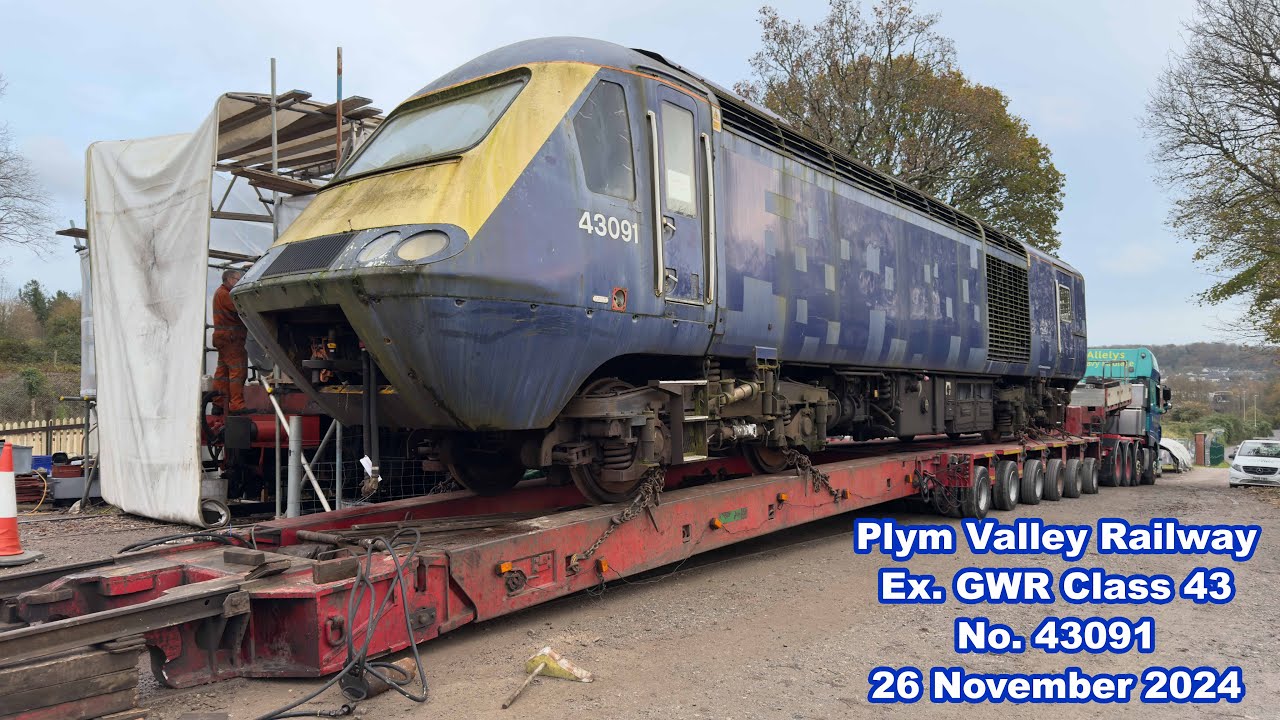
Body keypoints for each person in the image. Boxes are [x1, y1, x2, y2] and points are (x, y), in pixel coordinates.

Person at [212, 269, 248, 414]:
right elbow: (241, 308)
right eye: (238, 279)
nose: (240, 282)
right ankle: (237, 405)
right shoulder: (225, 294)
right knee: (237, 371)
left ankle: (219, 403)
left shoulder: (219, 293)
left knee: (223, 371)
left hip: (223, 339)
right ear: (230, 279)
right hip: (231, 339)